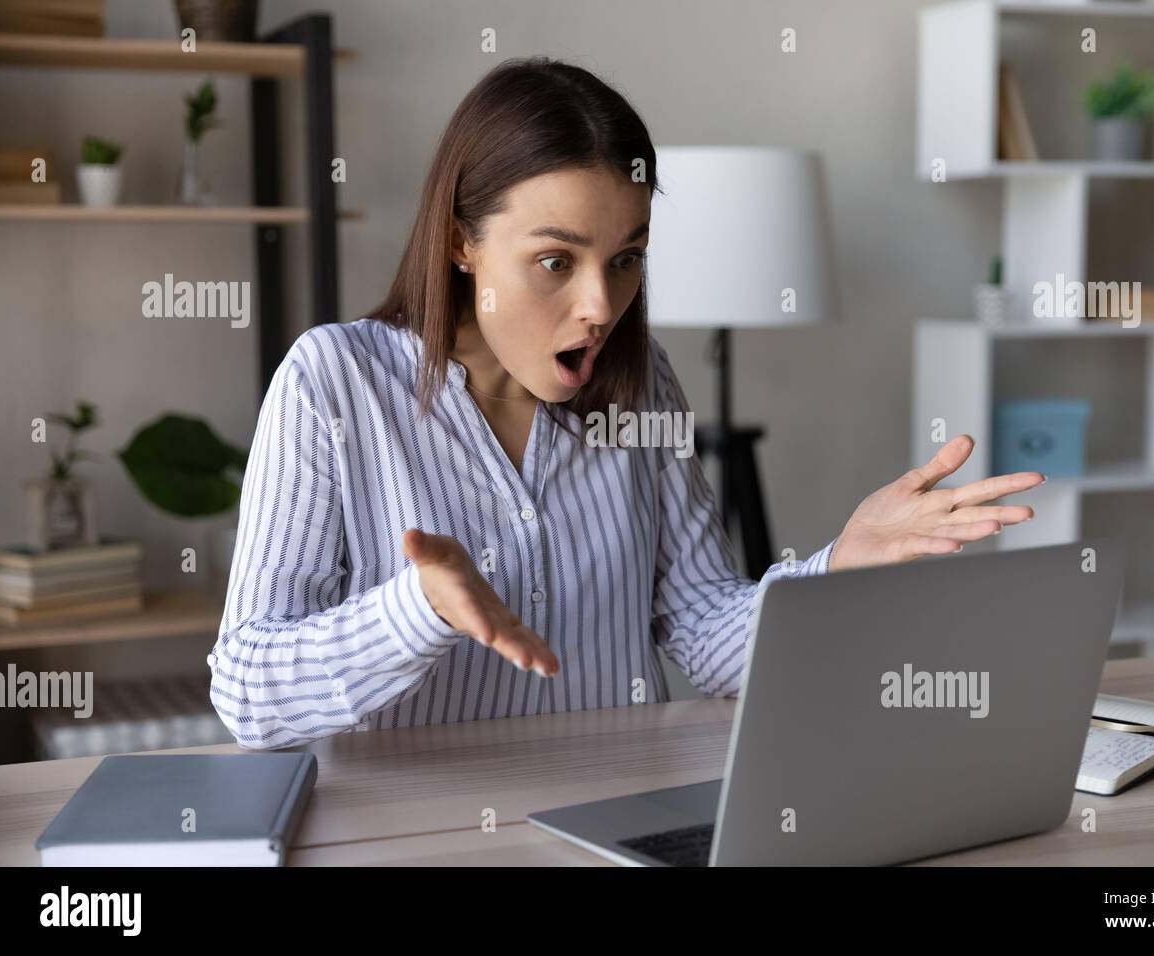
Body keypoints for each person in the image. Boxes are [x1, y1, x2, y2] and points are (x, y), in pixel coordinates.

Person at [209, 57, 1041, 750]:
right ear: (463, 242)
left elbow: (709, 634)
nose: (602, 306)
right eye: (555, 262)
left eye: (626, 258)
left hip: (619, 827)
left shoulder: (641, 386)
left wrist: (840, 565)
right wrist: (415, 609)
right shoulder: (333, 384)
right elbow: (247, 695)